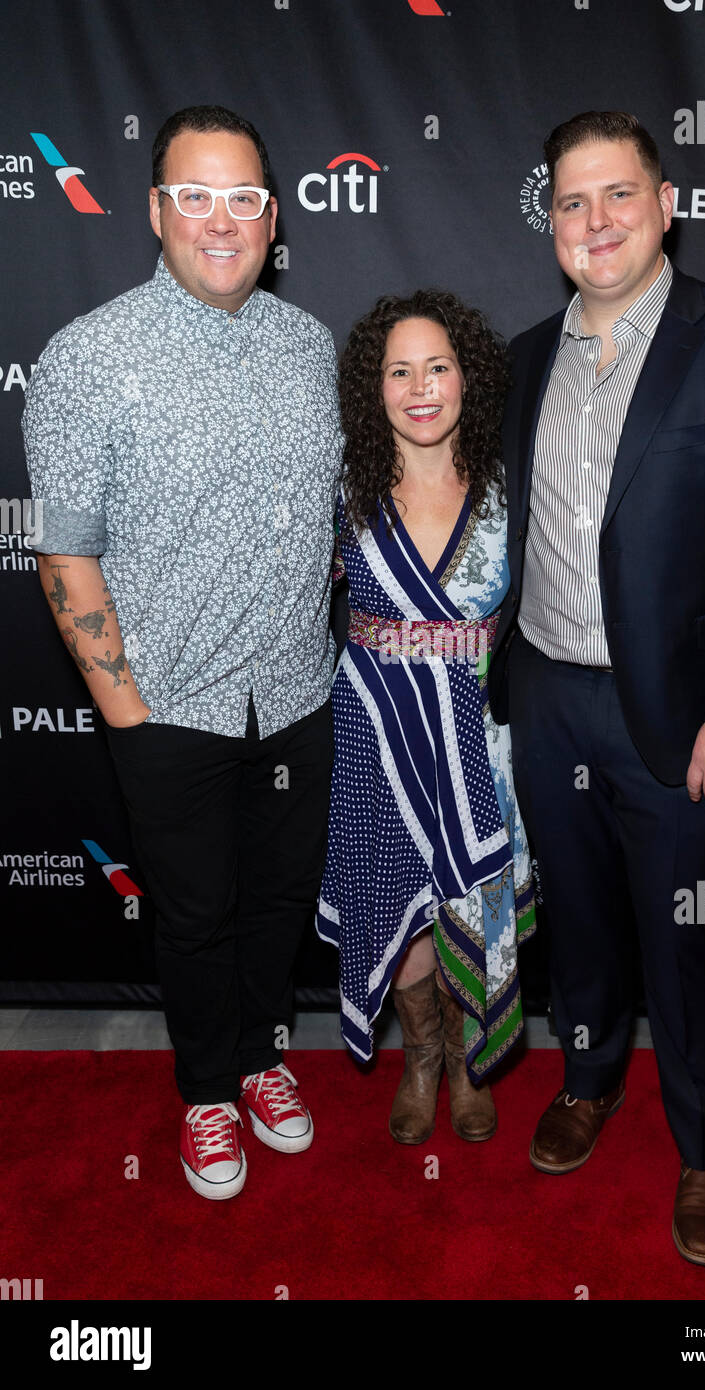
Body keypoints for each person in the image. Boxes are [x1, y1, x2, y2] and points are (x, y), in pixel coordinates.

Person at [489, 112, 705, 1263]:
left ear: (665, 202)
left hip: (683, 716)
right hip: (545, 696)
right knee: (576, 923)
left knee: (687, 942)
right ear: (549, 223)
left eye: (616, 196)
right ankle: (586, 1078)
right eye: (571, 203)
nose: (594, 222)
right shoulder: (523, 355)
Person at [23, 105, 341, 1201]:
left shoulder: (310, 349)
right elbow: (64, 553)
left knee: (275, 903)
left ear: (270, 215)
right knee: (195, 912)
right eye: (195, 196)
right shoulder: (89, 357)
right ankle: (207, 1088)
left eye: (243, 198)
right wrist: (126, 710)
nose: (221, 221)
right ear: (157, 211)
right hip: (168, 708)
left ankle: (261, 1055)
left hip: (299, 693)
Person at [316, 290, 536, 1144]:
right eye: (398, 369)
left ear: (466, 377)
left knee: (464, 904)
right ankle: (421, 1060)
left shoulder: (508, 489)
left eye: (437, 366)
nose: (419, 386)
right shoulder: (343, 489)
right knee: (395, 908)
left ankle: (474, 1060)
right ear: (374, 389)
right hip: (373, 730)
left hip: (478, 736)